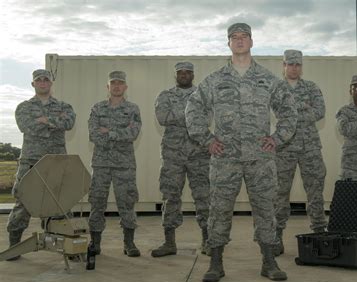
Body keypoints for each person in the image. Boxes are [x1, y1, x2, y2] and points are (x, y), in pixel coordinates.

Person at [185, 23, 297, 282]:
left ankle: (269, 263)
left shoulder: (268, 79)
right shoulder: (215, 80)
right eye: (234, 37)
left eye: (243, 36)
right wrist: (207, 139)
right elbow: (193, 109)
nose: (239, 41)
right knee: (219, 210)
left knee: (265, 209)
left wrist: (277, 138)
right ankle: (215, 264)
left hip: (260, 159)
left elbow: (289, 111)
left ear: (251, 41)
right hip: (226, 158)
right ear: (228, 44)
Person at [5, 69, 76, 261]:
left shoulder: (64, 106)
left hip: (56, 161)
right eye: (39, 80)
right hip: (31, 161)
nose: (43, 83)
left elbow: (69, 122)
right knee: (23, 203)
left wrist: (44, 120)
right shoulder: (24, 107)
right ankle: (15, 245)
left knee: (61, 202)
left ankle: (69, 245)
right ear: (33, 84)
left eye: (46, 80)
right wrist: (54, 123)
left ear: (51, 83)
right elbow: (25, 126)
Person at [152, 62, 210, 257]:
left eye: (187, 72)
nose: (184, 75)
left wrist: (178, 115)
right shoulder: (165, 95)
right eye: (180, 73)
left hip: (199, 154)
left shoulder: (202, 94)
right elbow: (162, 117)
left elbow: (206, 119)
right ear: (175, 75)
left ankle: (207, 241)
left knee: (204, 197)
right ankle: (169, 242)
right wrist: (190, 112)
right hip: (173, 155)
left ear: (193, 74)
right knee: (170, 197)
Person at [273, 50, 327, 257]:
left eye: (297, 65)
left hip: (310, 147)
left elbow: (320, 112)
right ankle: (277, 236)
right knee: (280, 193)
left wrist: (292, 112)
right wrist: (303, 108)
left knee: (315, 191)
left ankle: (319, 233)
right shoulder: (276, 88)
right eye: (290, 64)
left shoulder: (311, 87)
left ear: (301, 67)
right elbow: (278, 112)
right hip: (284, 148)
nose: (294, 68)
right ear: (283, 66)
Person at [87, 71, 142, 257]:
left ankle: (129, 243)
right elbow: (94, 135)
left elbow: (133, 133)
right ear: (107, 87)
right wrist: (119, 133)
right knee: (97, 203)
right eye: (113, 83)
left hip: (124, 164)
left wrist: (108, 132)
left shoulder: (132, 109)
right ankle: (95, 243)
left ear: (125, 87)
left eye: (120, 83)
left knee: (127, 203)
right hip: (101, 164)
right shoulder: (97, 108)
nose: (117, 86)